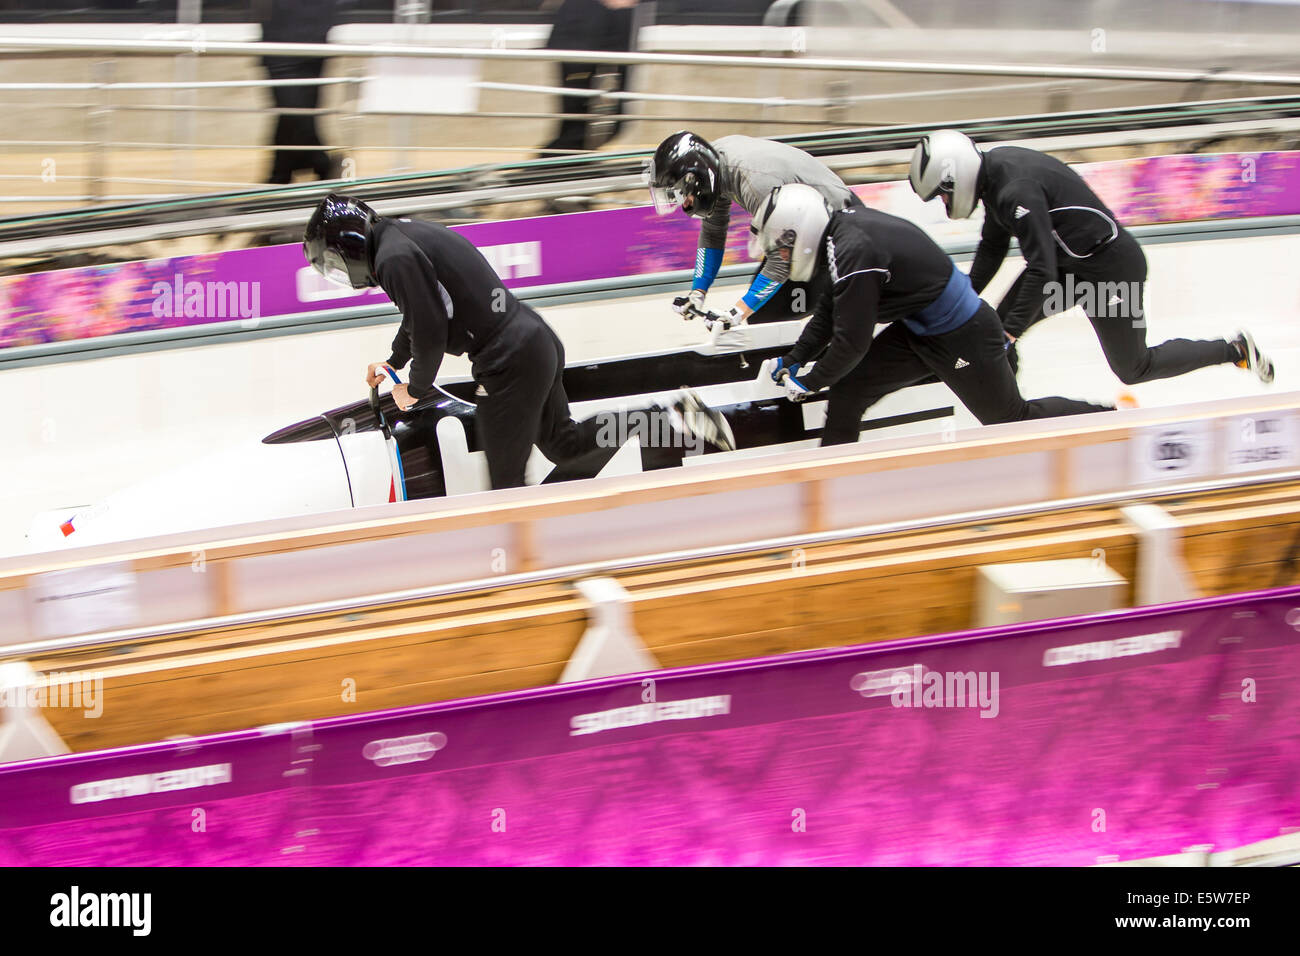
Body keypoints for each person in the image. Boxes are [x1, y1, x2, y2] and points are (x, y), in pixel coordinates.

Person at [302, 194, 734, 490]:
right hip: (533, 341)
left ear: (348, 248)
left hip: (508, 363)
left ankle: (520, 580)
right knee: (564, 445)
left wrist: (412, 389)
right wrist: (392, 359)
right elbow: (422, 316)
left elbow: (430, 330)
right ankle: (666, 415)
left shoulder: (393, 258)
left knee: (506, 488)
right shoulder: (397, 240)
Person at [908, 129, 1275, 387]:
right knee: (996, 331)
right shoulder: (995, 175)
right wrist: (964, 296)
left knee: (1133, 367)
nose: (944, 203)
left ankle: (1234, 350)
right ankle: (1005, 413)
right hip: (1072, 267)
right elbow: (993, 246)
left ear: (955, 176)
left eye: (942, 194)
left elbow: (1041, 269)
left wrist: (1010, 331)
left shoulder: (1014, 189)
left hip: (1110, 275)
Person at [755, 184, 1115, 446]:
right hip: (919, 329)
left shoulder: (854, 251)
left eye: (783, 249)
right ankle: (831, 487)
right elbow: (831, 311)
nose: (783, 259)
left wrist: (809, 381)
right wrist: (795, 358)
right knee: (848, 392)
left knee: (1009, 420)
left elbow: (852, 341)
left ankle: (1104, 417)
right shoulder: (839, 239)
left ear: (800, 232)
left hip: (965, 334)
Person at [645, 130, 861, 344]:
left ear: (695, 178)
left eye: (682, 195)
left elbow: (780, 263)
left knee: (772, 315)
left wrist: (736, 313)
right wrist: (697, 293)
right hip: (805, 227)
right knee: (765, 313)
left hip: (839, 225)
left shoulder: (757, 184)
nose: (684, 205)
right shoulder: (713, 162)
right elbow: (713, 233)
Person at [538, 0, 640, 158]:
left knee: (614, 119)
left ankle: (565, 158)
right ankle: (556, 160)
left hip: (606, 22)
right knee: (578, 120)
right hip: (584, 26)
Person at [257, 0, 339, 185]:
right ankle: (318, 162)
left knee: (297, 113)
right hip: (277, 40)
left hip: (315, 40)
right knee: (292, 110)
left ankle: (281, 173)